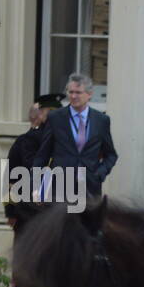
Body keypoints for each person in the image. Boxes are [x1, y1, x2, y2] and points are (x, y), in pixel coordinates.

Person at [5, 93, 63, 287]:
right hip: (30, 212)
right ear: (40, 116)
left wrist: (11, 211)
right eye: (51, 113)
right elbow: (12, 179)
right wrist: (11, 211)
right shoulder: (25, 142)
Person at [32, 73, 118, 208]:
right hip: (60, 188)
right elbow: (42, 155)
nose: (73, 96)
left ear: (89, 94)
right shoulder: (56, 117)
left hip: (89, 189)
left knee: (88, 228)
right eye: (70, 92)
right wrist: (36, 186)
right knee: (61, 228)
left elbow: (111, 155)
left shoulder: (101, 120)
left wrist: (99, 174)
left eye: (78, 92)